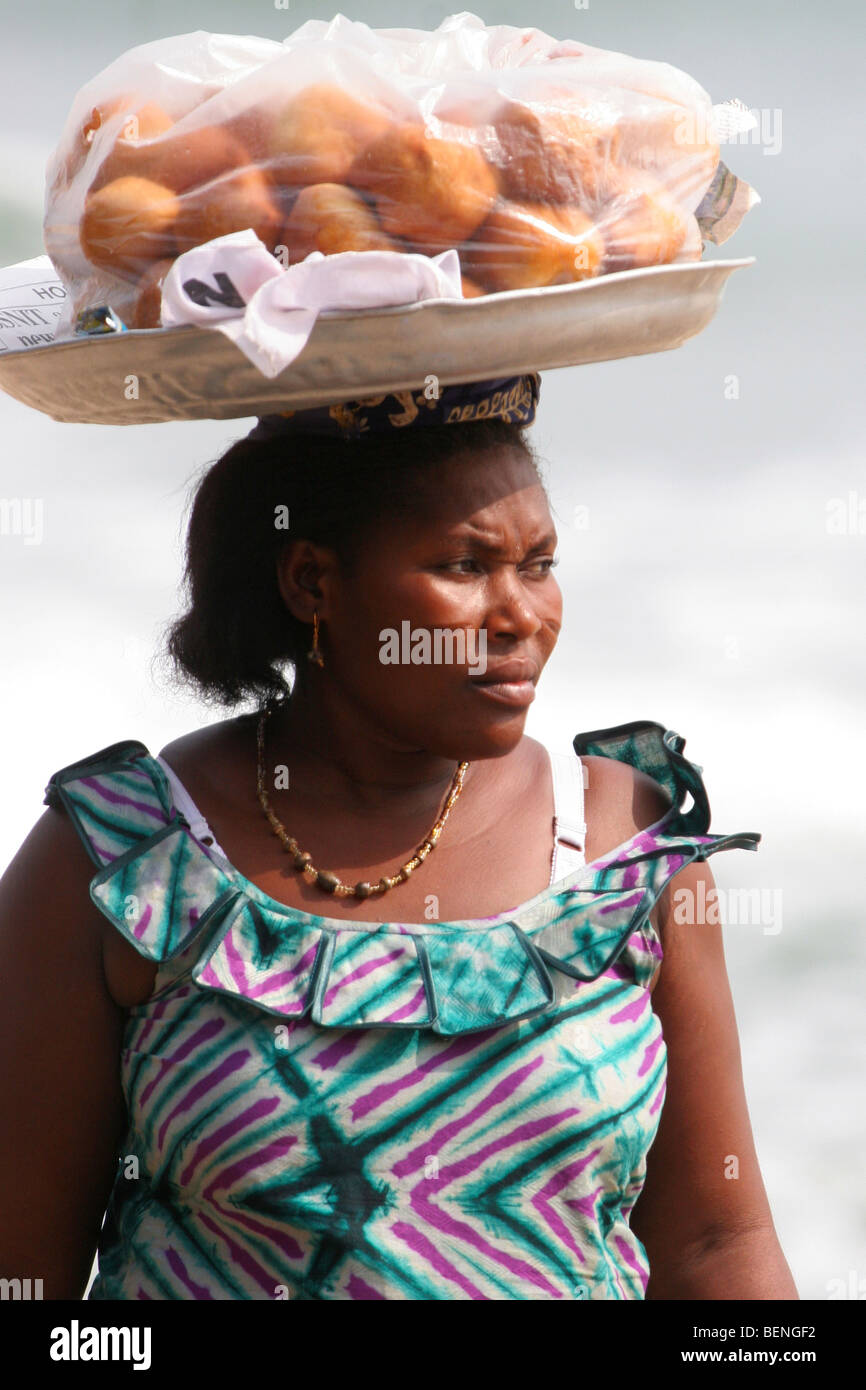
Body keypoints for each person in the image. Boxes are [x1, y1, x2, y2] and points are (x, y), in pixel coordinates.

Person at [0, 373, 797, 1300]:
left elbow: (717, 1241)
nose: (522, 617)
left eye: (538, 564)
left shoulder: (631, 852)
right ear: (313, 581)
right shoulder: (122, 862)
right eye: (466, 567)